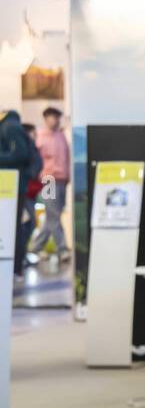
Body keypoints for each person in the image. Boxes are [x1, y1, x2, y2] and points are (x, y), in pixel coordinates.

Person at [0, 109, 41, 281]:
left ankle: (16, 267)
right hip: (21, 187)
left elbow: (21, 155)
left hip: (18, 187)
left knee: (19, 226)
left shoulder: (10, 127)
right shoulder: (11, 126)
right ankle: (17, 266)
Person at [32, 107, 71, 262]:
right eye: (53, 117)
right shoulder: (40, 137)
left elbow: (67, 157)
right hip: (48, 179)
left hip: (62, 180)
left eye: (57, 117)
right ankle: (62, 249)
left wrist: (68, 176)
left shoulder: (61, 136)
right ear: (46, 118)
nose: (56, 120)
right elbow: (36, 160)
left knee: (52, 216)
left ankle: (36, 248)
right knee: (53, 214)